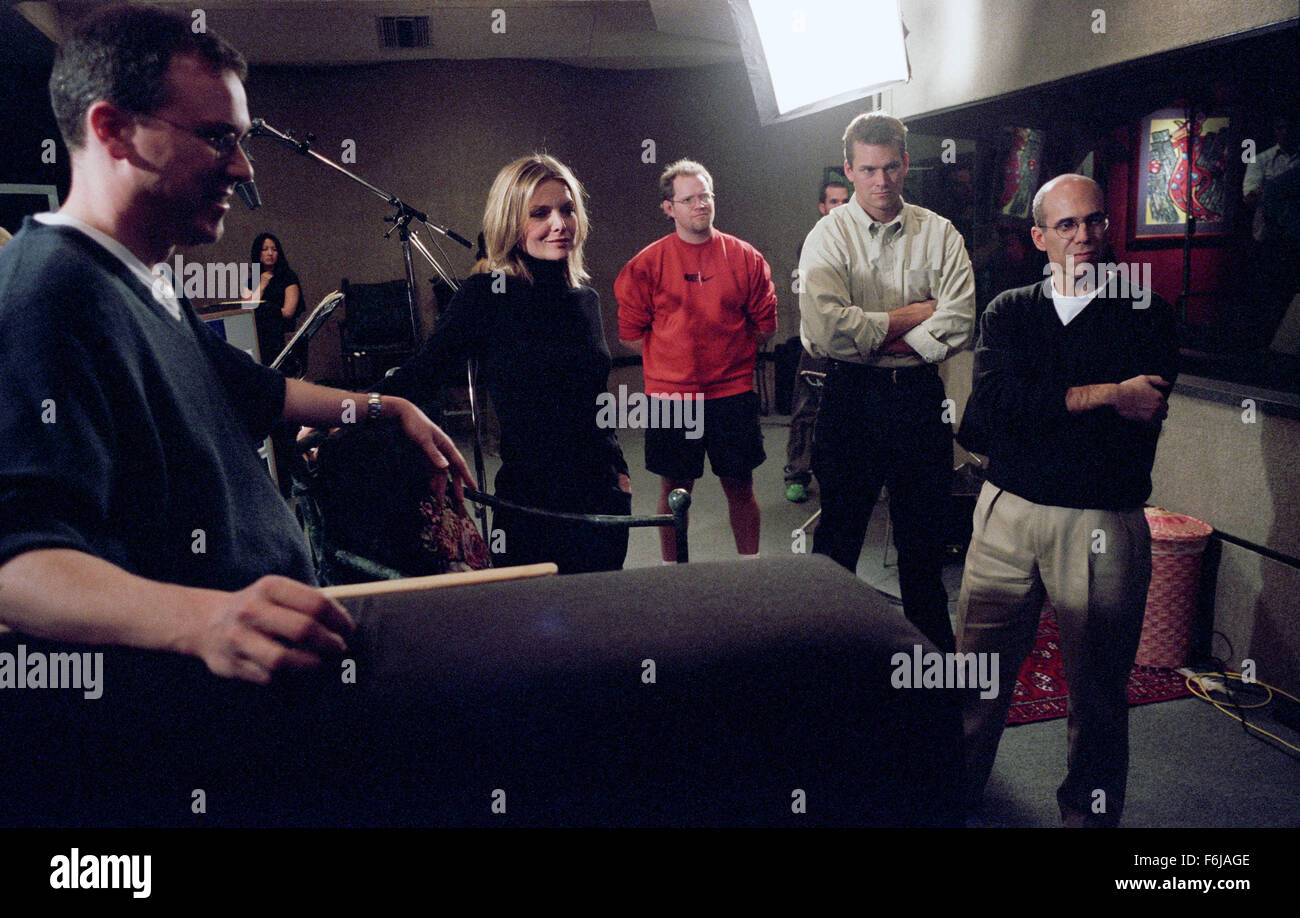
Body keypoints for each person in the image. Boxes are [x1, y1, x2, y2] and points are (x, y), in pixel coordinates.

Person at [0, 4, 473, 685]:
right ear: (113, 130)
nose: (245, 168)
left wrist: (381, 408)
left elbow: (254, 388)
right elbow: (18, 565)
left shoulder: (144, 280)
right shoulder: (48, 292)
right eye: (219, 137)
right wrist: (202, 621)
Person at [955, 174, 1178, 827]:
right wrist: (1107, 393)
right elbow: (992, 412)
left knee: (1098, 695)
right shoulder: (1010, 310)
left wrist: (1046, 401)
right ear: (1038, 237)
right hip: (1007, 513)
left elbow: (1137, 422)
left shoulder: (1148, 313)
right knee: (975, 676)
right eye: (1066, 225)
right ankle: (956, 794)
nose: (1084, 236)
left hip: (1100, 523)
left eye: (1095, 222)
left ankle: (1087, 816)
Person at [381, 154, 631, 574]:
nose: (559, 223)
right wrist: (343, 409)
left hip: (604, 502)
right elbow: (421, 376)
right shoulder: (486, 294)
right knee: (535, 632)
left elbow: (594, 403)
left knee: (601, 626)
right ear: (511, 223)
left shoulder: (586, 300)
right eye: (540, 213)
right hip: (532, 505)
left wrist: (620, 476)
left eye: (567, 209)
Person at [799, 112, 974, 651]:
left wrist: (872, 336)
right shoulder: (827, 237)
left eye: (892, 167)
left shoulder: (939, 233)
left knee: (923, 549)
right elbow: (828, 332)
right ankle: (828, 665)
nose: (882, 181)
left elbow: (961, 320)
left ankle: (934, 680)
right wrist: (912, 316)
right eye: (869, 169)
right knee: (837, 545)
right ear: (850, 170)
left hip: (920, 401)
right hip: (850, 398)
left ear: (905, 164)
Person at [616, 159, 777, 561]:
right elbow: (631, 336)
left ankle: (749, 567)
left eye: (705, 196)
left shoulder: (745, 257)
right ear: (669, 208)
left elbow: (765, 326)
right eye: (688, 199)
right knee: (674, 492)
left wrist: (726, 357)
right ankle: (673, 572)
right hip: (672, 397)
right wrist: (674, 360)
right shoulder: (646, 265)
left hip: (732, 394)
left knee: (740, 486)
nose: (699, 205)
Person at [783, 179, 849, 503]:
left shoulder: (859, 239)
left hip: (851, 343)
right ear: (822, 207)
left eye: (844, 200)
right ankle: (797, 473)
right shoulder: (811, 242)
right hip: (816, 342)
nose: (839, 206)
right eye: (833, 201)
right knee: (806, 410)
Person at [243, 231, 301, 368]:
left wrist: (264, 308)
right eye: (265, 249)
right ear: (258, 253)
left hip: (281, 336)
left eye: (274, 249)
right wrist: (262, 286)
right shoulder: (251, 281)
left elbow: (288, 312)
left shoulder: (288, 277)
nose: (270, 253)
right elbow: (246, 310)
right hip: (259, 337)